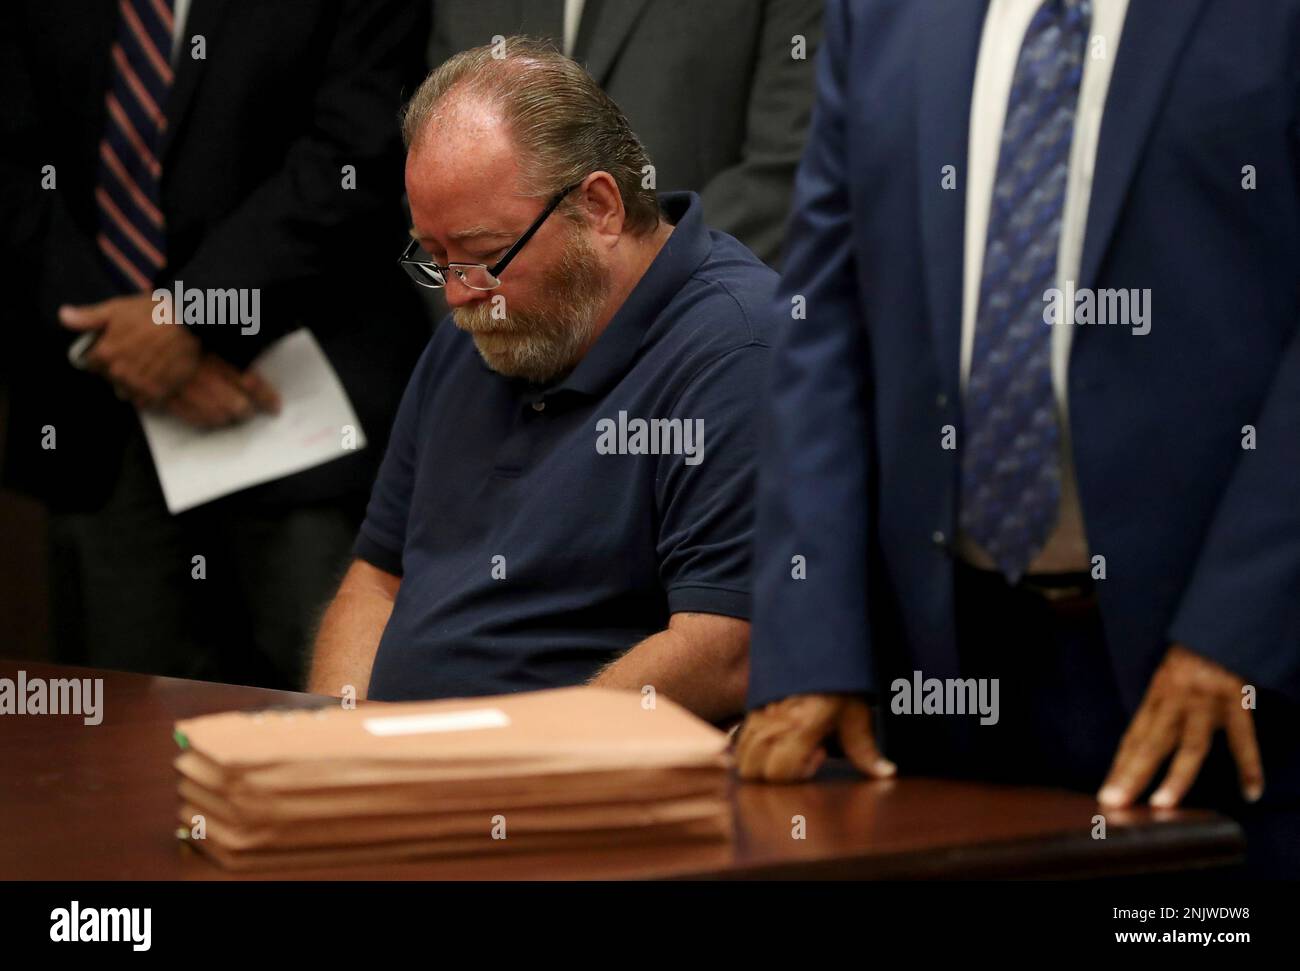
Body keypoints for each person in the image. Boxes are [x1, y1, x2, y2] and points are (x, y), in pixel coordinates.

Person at [738, 0, 1300, 876]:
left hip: (1217, 680)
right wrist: (810, 645)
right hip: (936, 669)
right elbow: (823, 321)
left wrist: (1238, 630)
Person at [308, 39, 777, 723]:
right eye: (434, 257)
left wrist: (503, 755)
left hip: (572, 793)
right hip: (408, 782)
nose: (459, 294)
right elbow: (377, 580)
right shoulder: (469, 337)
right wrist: (334, 741)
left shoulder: (738, 345)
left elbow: (726, 645)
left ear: (599, 208)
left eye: (484, 255)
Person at [0, 0, 430, 688]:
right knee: (121, 745)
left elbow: (360, 149)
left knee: (327, 726)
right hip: (97, 414)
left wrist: (188, 319)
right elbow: (13, 164)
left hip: (298, 406)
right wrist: (123, 343)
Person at [427, 0, 824, 266]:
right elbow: (434, 157)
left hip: (696, 338)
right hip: (500, 355)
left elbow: (786, 168)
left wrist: (632, 290)